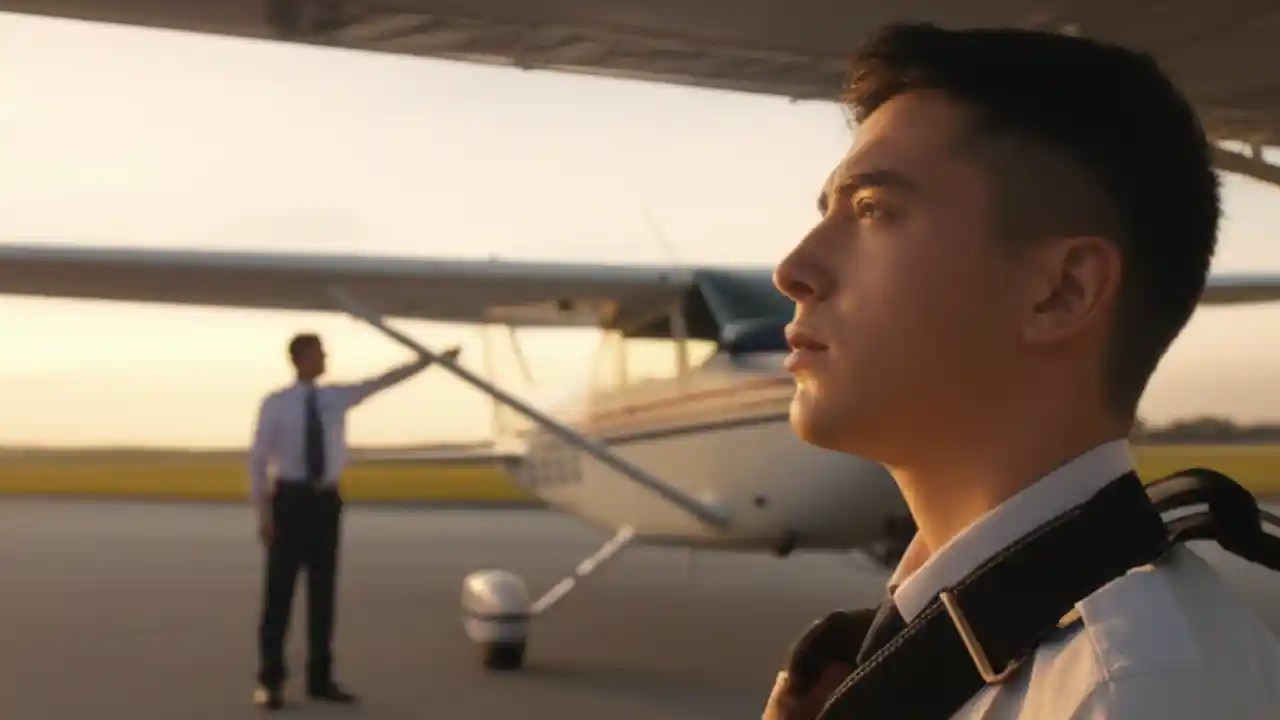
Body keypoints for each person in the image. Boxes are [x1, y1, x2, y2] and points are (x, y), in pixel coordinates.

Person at [766, 22, 1280, 720]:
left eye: (872, 211)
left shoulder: (1131, 693)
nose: (792, 271)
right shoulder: (935, 641)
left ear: (1062, 291)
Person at [248, 332, 459, 710]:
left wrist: (429, 361)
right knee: (279, 594)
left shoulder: (335, 398)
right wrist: (263, 514)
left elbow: (383, 382)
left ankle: (320, 678)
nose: (324, 358)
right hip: (289, 501)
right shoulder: (276, 404)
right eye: (318, 353)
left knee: (323, 594)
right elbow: (259, 460)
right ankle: (270, 680)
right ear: (299, 359)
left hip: (325, 502)